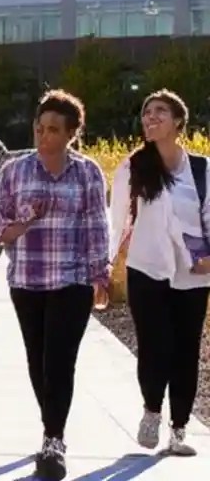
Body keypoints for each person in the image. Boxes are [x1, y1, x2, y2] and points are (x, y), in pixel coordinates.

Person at [0, 89, 111, 481]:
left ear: (71, 133)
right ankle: (51, 426)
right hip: (27, 280)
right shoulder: (14, 171)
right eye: (39, 127)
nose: (44, 135)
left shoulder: (87, 172)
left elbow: (97, 227)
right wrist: (17, 225)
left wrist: (100, 275)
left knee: (59, 361)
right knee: (37, 362)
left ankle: (54, 440)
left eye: (53, 129)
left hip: (72, 280)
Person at [109, 89, 210, 457]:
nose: (151, 117)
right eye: (147, 112)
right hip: (146, 268)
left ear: (178, 121)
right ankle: (152, 409)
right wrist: (106, 264)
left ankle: (179, 429)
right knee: (154, 345)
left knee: (186, 349)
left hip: (193, 273)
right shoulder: (134, 166)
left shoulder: (201, 169)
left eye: (160, 111)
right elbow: (117, 218)